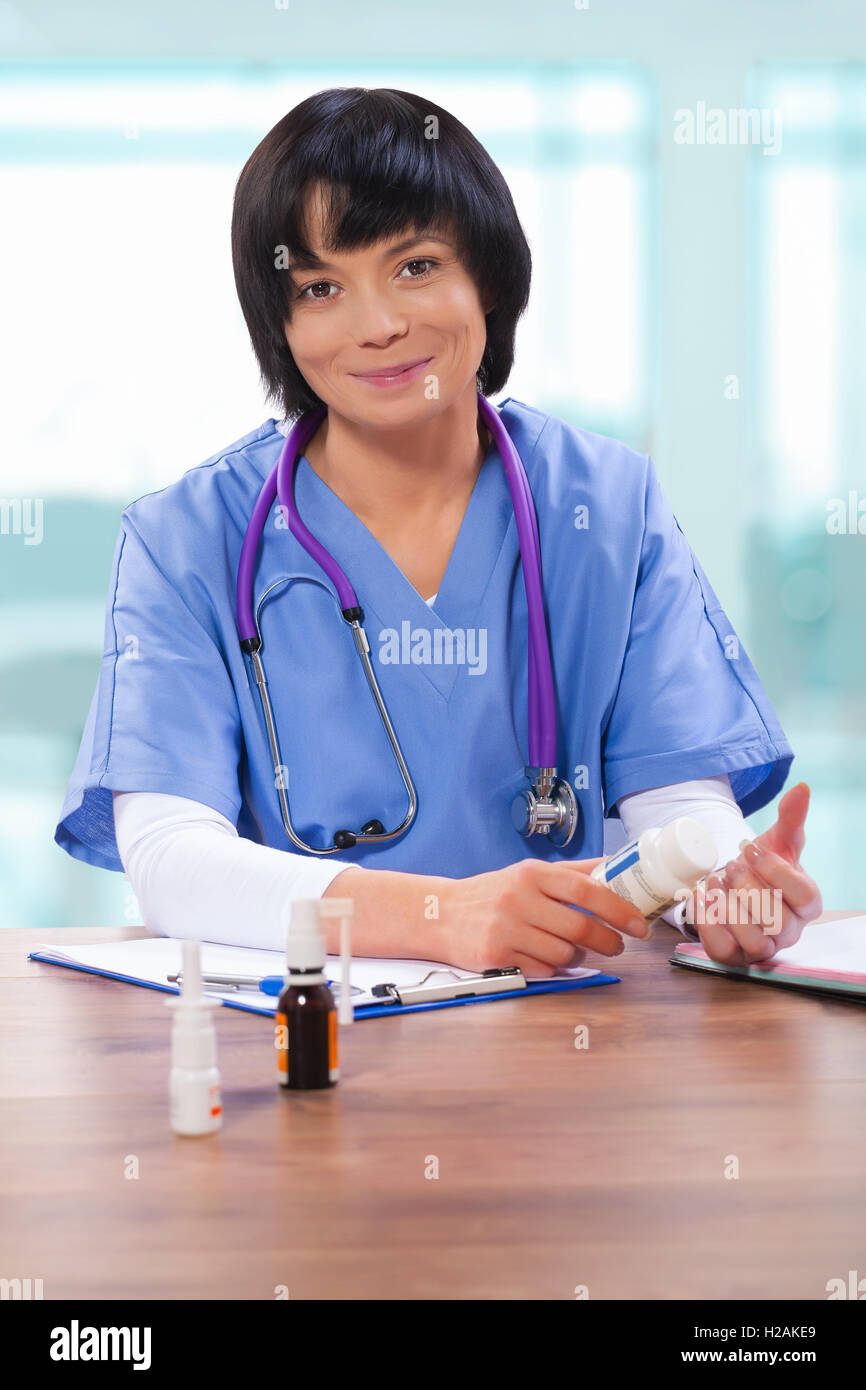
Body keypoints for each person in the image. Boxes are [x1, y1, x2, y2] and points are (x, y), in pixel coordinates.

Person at [55, 87, 822, 975]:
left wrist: (724, 887)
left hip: (568, 1041)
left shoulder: (605, 506)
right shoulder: (186, 539)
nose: (378, 326)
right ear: (282, 322)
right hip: (302, 1051)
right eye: (320, 287)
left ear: (486, 276)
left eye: (414, 266)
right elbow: (169, 860)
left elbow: (677, 804)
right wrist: (440, 914)